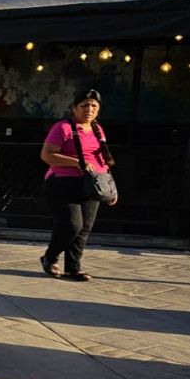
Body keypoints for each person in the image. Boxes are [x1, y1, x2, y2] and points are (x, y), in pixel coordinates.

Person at [39, 88, 117, 281]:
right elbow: (47, 155)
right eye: (84, 105)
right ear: (74, 108)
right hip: (62, 182)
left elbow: (103, 160)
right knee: (72, 225)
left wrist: (110, 188)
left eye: (94, 106)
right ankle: (50, 256)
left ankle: (73, 268)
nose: (89, 109)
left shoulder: (98, 129)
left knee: (84, 228)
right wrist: (76, 162)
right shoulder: (63, 128)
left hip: (92, 184)